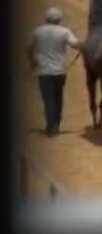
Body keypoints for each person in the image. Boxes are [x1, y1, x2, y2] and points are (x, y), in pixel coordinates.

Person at [28, 8, 81, 137]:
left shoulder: (37, 31)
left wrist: (32, 62)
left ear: (46, 18)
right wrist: (84, 45)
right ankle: (55, 125)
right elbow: (76, 44)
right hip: (60, 72)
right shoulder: (64, 31)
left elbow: (29, 48)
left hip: (44, 72)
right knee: (58, 98)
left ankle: (51, 126)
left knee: (48, 99)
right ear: (59, 19)